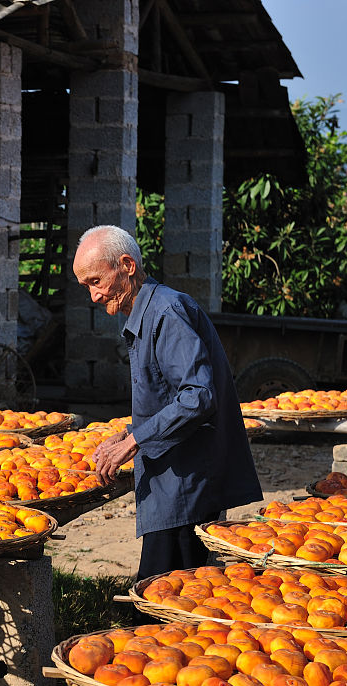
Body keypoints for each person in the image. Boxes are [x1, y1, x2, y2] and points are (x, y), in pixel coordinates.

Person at [71, 225, 262, 580]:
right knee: (170, 589)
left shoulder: (167, 311)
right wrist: (127, 433)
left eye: (96, 282)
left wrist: (135, 441)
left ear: (126, 265)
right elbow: (167, 396)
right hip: (170, 482)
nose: (94, 297)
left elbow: (197, 396)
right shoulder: (146, 314)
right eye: (87, 287)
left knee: (166, 595)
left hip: (186, 486)